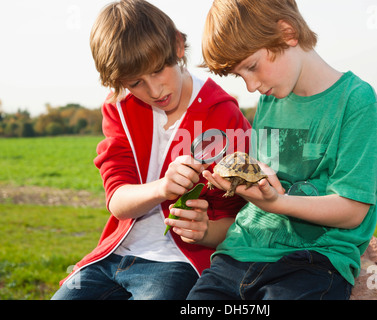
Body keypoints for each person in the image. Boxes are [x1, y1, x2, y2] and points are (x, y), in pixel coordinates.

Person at [187, 0, 377, 300]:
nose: (251, 86)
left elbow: (352, 210)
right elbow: (268, 173)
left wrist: (277, 202)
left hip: (312, 262)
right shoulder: (271, 99)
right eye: (241, 75)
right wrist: (250, 179)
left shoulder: (356, 101)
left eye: (252, 67)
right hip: (237, 254)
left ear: (287, 33)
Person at [52, 0, 250, 300]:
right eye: (136, 82)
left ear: (178, 46)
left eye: (158, 70)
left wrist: (205, 228)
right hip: (114, 254)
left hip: (177, 262)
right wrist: (162, 188)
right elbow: (117, 199)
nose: (155, 91)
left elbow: (241, 220)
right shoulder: (119, 107)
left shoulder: (222, 115)